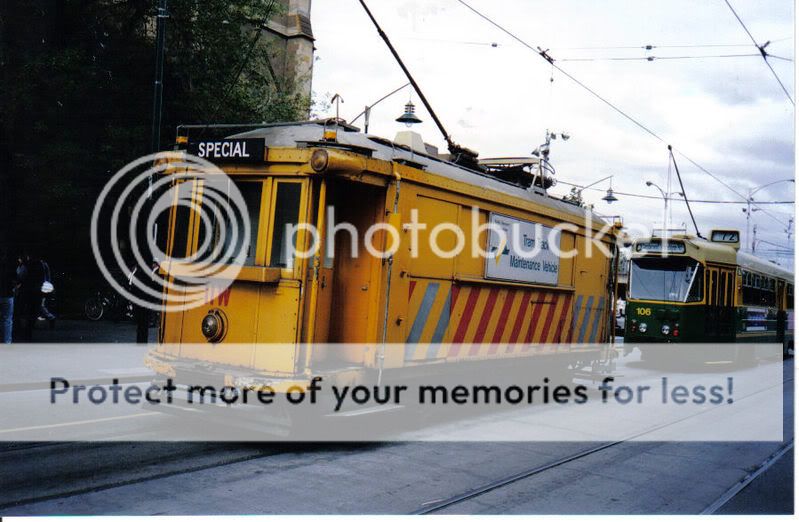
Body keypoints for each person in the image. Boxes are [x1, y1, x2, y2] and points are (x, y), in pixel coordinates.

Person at [16, 252, 45, 342]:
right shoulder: (41, 265)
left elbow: (21, 277)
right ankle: (28, 332)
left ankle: (24, 332)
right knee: (33, 313)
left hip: (27, 291)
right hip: (37, 291)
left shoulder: (26, 266)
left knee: (25, 311)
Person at [0, 251, 18, 344]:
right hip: (8, 295)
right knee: (7, 319)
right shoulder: (10, 268)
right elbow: (16, 281)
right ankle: (7, 341)